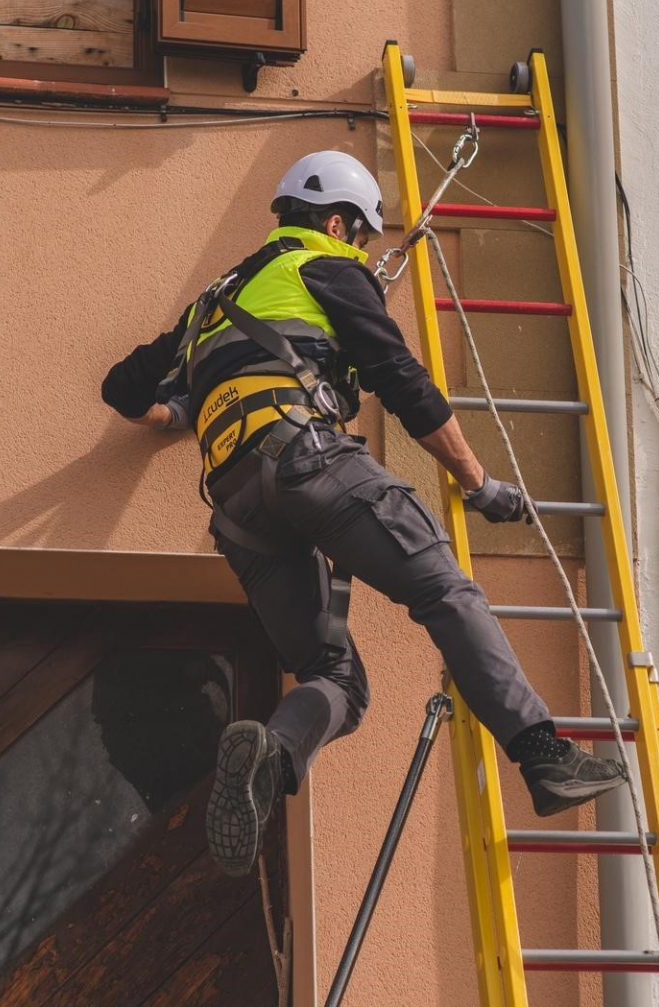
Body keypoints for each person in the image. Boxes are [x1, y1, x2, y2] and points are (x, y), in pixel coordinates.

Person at [102, 150, 626, 877]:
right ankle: (543, 754)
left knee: (336, 679)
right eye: (359, 235)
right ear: (337, 223)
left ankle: (275, 749)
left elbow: (122, 388)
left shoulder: (210, 304)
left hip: (239, 508)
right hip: (308, 461)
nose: (360, 249)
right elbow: (401, 380)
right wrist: (478, 483)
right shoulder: (327, 266)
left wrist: (178, 413)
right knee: (444, 588)